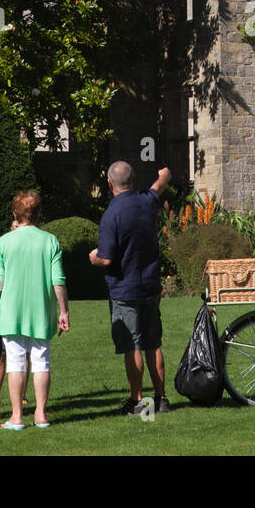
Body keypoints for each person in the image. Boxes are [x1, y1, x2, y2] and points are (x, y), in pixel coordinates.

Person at [90, 162, 173, 415]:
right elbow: (158, 186)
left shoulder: (111, 214)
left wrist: (92, 257)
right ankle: (161, 399)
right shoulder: (146, 202)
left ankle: (138, 403)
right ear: (134, 180)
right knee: (153, 344)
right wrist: (165, 174)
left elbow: (105, 258)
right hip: (150, 285)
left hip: (124, 289)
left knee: (133, 346)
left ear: (109, 184)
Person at [0, 190, 69, 430]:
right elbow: (58, 280)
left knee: (14, 363)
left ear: (15, 213)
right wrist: (63, 311)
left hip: (11, 312)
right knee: (41, 362)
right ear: (38, 213)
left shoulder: (4, 241)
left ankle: (16, 416)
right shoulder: (50, 240)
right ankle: (41, 415)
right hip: (42, 311)